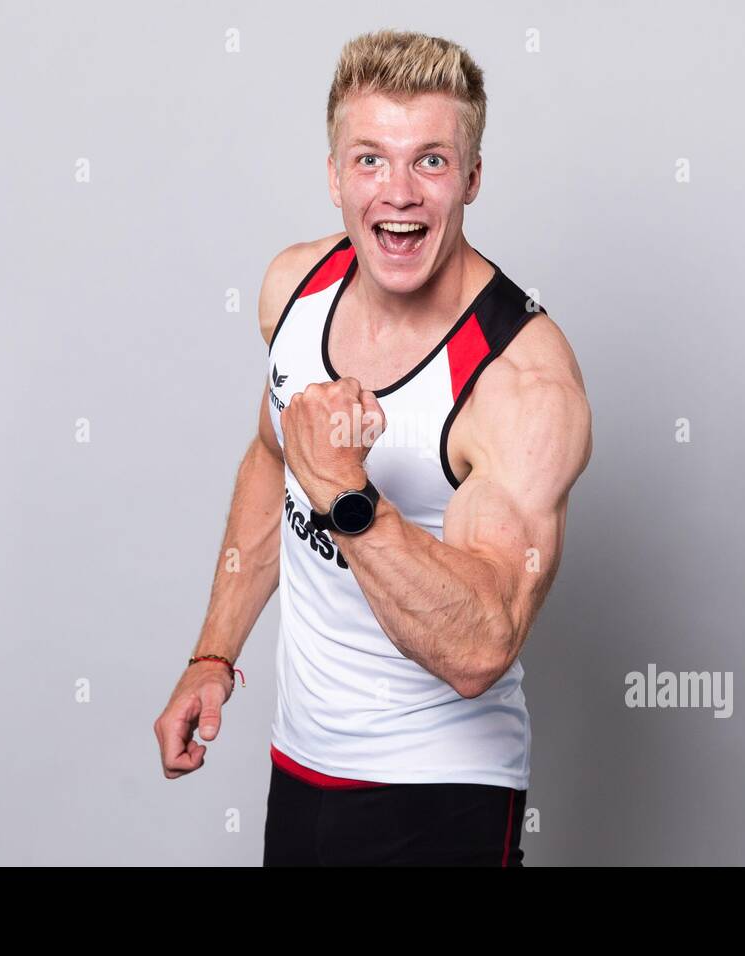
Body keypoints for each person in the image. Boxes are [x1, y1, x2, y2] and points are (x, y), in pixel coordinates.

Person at [153, 28, 592, 866]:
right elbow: (270, 457)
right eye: (369, 160)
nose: (398, 193)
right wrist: (213, 653)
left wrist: (348, 497)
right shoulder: (295, 289)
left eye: (430, 160)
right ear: (333, 176)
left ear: (471, 177)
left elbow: (481, 648)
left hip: (443, 792)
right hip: (302, 764)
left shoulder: (521, 382)